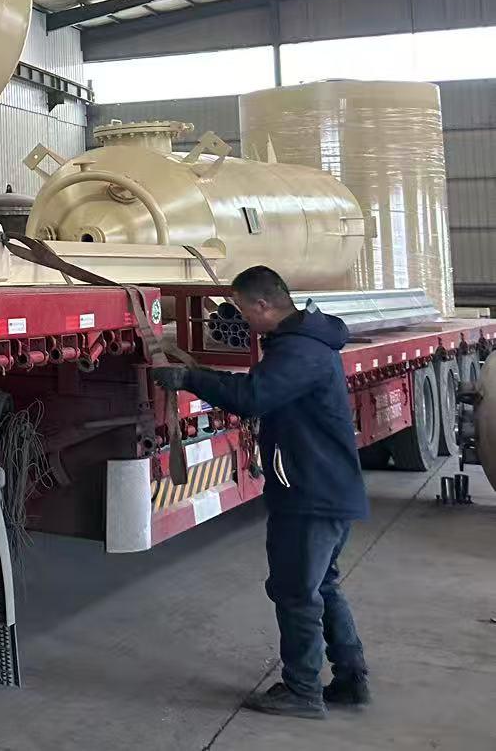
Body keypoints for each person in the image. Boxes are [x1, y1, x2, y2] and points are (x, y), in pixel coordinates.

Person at [153, 265, 370, 720]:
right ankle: (351, 678)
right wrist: (200, 372)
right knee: (321, 584)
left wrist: (189, 378)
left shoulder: (300, 351)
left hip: (310, 492)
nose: (241, 320)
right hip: (325, 488)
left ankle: (303, 692)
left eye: (242, 310)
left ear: (263, 305)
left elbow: (253, 396)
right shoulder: (305, 342)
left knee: (296, 592)